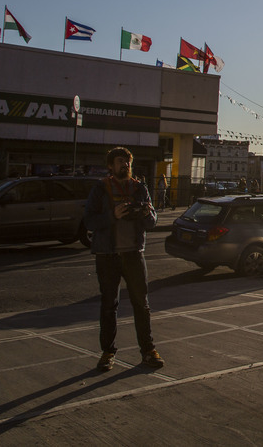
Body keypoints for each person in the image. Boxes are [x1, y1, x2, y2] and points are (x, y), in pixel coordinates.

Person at [84, 147, 163, 371]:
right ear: (111, 166)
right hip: (107, 255)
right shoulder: (101, 188)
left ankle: (148, 350)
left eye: (128, 162)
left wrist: (148, 215)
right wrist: (113, 216)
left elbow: (152, 222)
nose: (125, 165)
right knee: (109, 305)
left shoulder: (139, 188)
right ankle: (107, 352)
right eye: (121, 162)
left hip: (134, 254)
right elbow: (89, 220)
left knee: (142, 304)